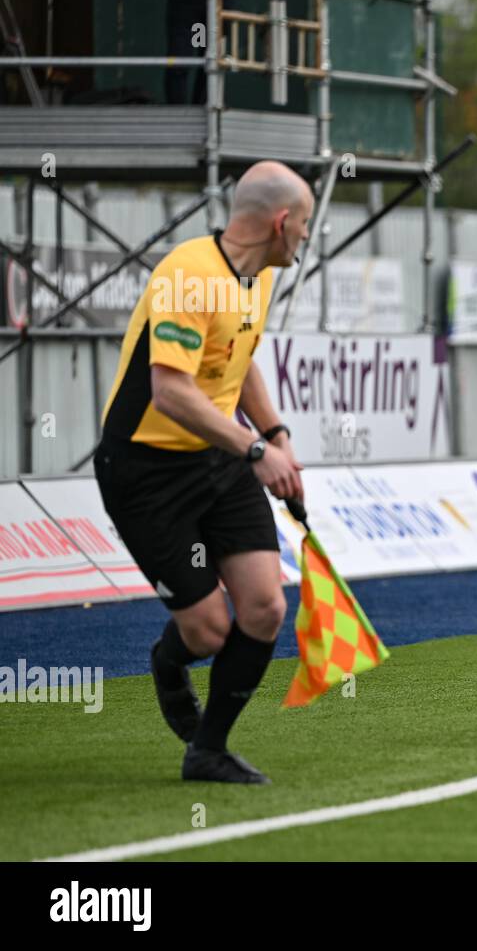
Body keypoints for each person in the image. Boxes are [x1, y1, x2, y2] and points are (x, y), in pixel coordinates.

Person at [94, 160, 313, 783]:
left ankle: (207, 750)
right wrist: (254, 452)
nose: (304, 236)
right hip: (145, 469)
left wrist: (276, 436)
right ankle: (169, 662)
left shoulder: (258, 277)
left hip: (217, 459)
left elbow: (238, 364)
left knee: (266, 608)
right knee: (211, 629)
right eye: (303, 224)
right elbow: (170, 393)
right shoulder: (188, 274)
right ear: (280, 221)